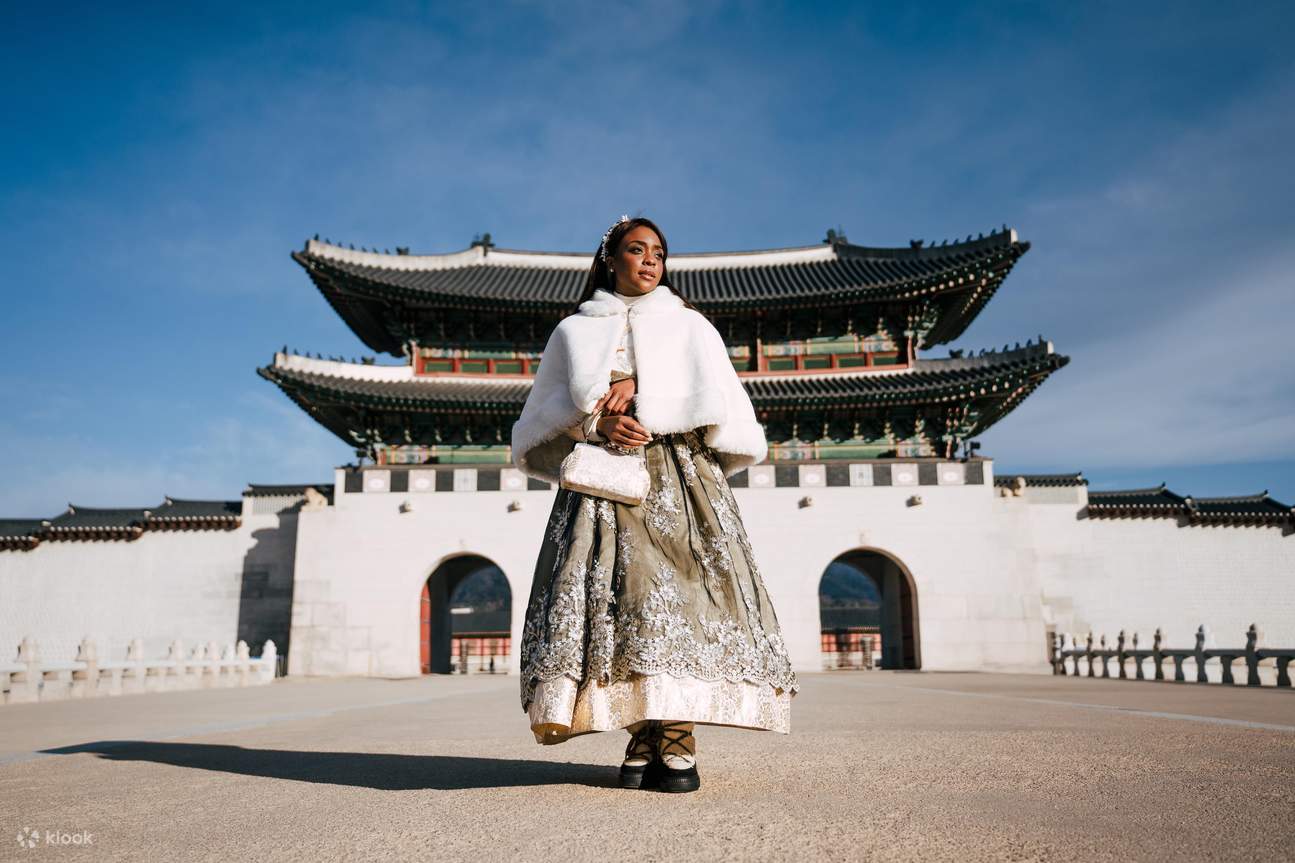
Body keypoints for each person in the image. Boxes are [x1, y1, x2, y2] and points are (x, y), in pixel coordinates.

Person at [511, 215, 800, 793]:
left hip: (678, 478)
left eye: (658, 253)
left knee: (682, 597)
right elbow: (545, 416)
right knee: (619, 601)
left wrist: (643, 387)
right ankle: (642, 731)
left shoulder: (689, 324)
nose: (649, 261)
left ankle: (677, 733)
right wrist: (598, 423)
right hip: (603, 485)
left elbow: (718, 397)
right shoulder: (573, 331)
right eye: (636, 250)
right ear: (609, 259)